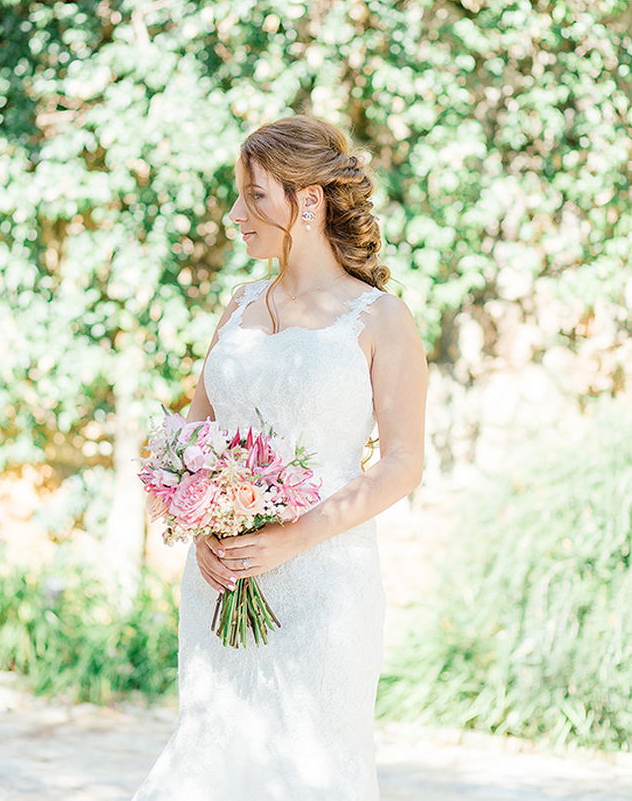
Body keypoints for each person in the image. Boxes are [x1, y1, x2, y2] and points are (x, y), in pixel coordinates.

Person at [131, 114, 427, 801]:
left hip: (326, 584)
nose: (236, 214)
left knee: (308, 769)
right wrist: (203, 529)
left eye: (255, 195)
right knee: (211, 756)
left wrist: (293, 537)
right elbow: (193, 438)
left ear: (310, 201)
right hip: (221, 578)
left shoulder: (381, 318)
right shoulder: (237, 306)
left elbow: (402, 462)